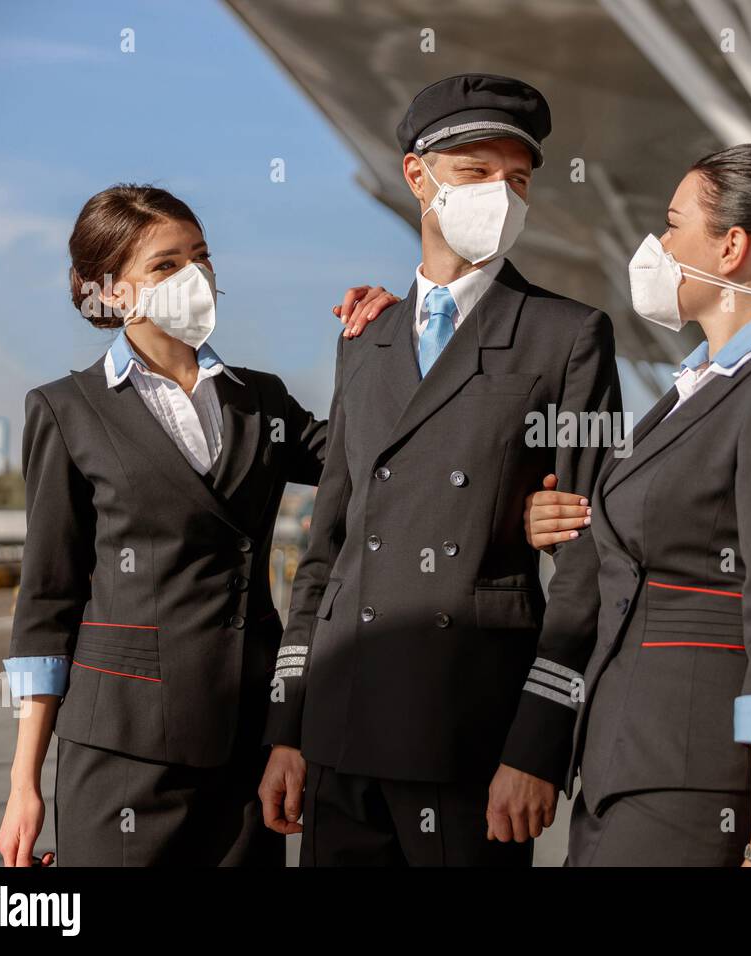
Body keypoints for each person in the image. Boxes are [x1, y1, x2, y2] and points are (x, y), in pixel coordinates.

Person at [257, 73, 622, 866]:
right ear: (418, 178)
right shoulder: (367, 336)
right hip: (340, 733)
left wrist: (537, 745)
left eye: (518, 179)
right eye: (476, 174)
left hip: (472, 741)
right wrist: (287, 727)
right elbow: (328, 548)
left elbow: (592, 560)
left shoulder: (567, 336)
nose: (502, 195)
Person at [0, 184, 401, 866]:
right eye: (166, 264)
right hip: (121, 752)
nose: (195, 276)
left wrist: (390, 339)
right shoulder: (67, 411)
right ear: (113, 293)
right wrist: (22, 783)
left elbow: (370, 461)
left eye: (201, 257)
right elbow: (47, 601)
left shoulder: (261, 401)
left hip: (249, 748)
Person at [526, 144, 751, 866]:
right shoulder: (695, 394)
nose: (660, 245)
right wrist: (555, 528)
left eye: (674, 225)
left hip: (689, 791)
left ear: (732, 246)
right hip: (622, 770)